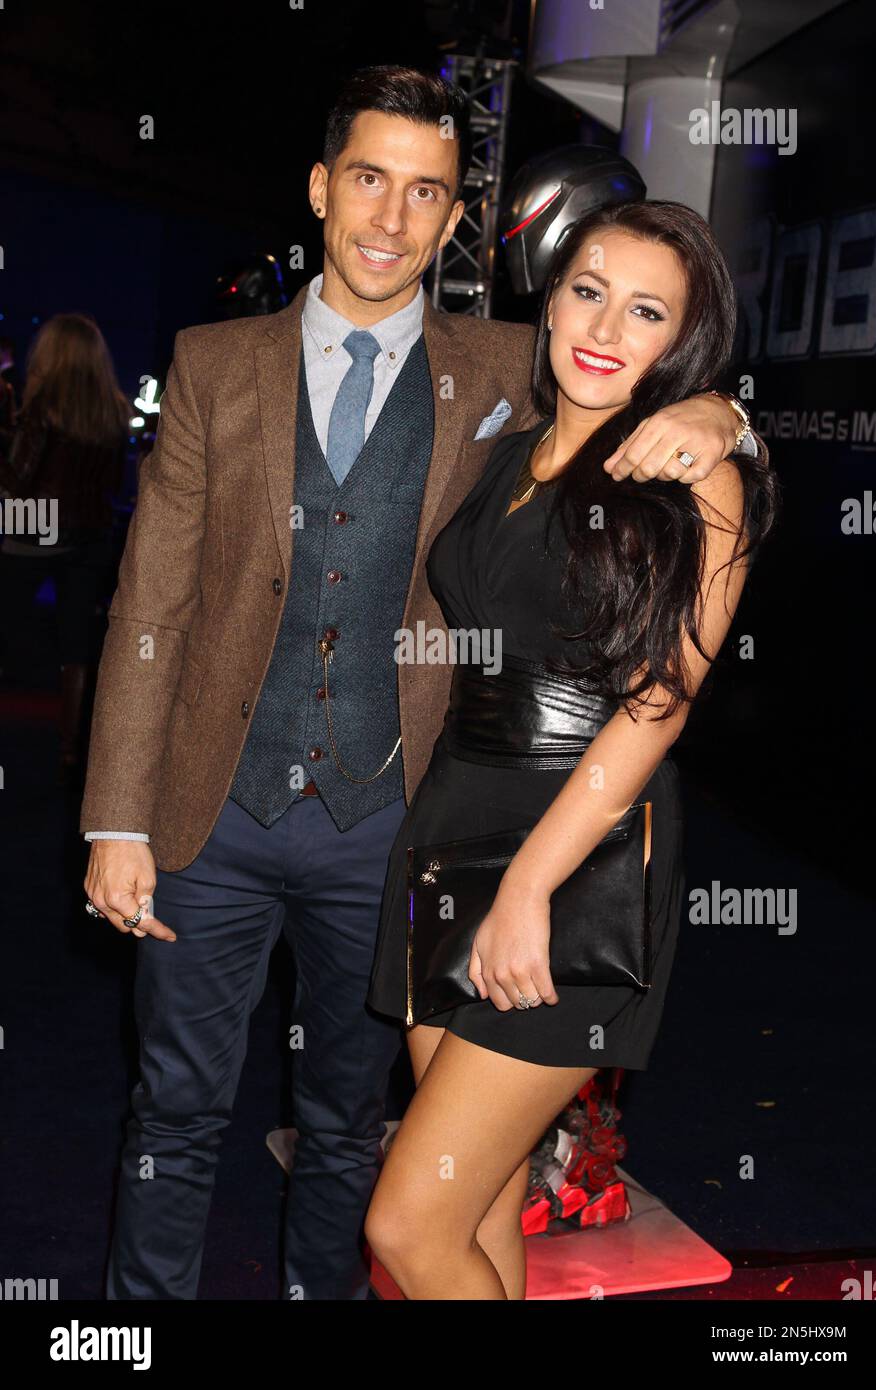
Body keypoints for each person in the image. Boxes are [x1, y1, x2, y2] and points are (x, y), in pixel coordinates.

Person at [79, 66, 766, 1302]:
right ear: (319, 189)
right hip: (221, 814)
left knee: (363, 1148)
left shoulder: (513, 361)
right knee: (175, 1114)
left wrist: (728, 420)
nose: (391, 220)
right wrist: (116, 816)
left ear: (458, 220)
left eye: (428, 194)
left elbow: (668, 384)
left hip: (394, 826)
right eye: (368, 181)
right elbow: (151, 604)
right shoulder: (215, 362)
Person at [364, 199, 779, 1300]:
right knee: (480, 1205)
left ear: (678, 346)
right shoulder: (506, 449)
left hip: (577, 863)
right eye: (588, 289)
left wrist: (729, 420)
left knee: (409, 1223)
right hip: (451, 832)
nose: (606, 325)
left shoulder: (698, 478)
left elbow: (658, 708)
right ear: (547, 297)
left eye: (647, 311)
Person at [0, 314, 129, 779]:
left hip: (35, 530)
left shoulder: (41, 409)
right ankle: (70, 749)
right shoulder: (114, 410)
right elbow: (116, 482)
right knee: (76, 645)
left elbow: (16, 482)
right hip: (91, 533)